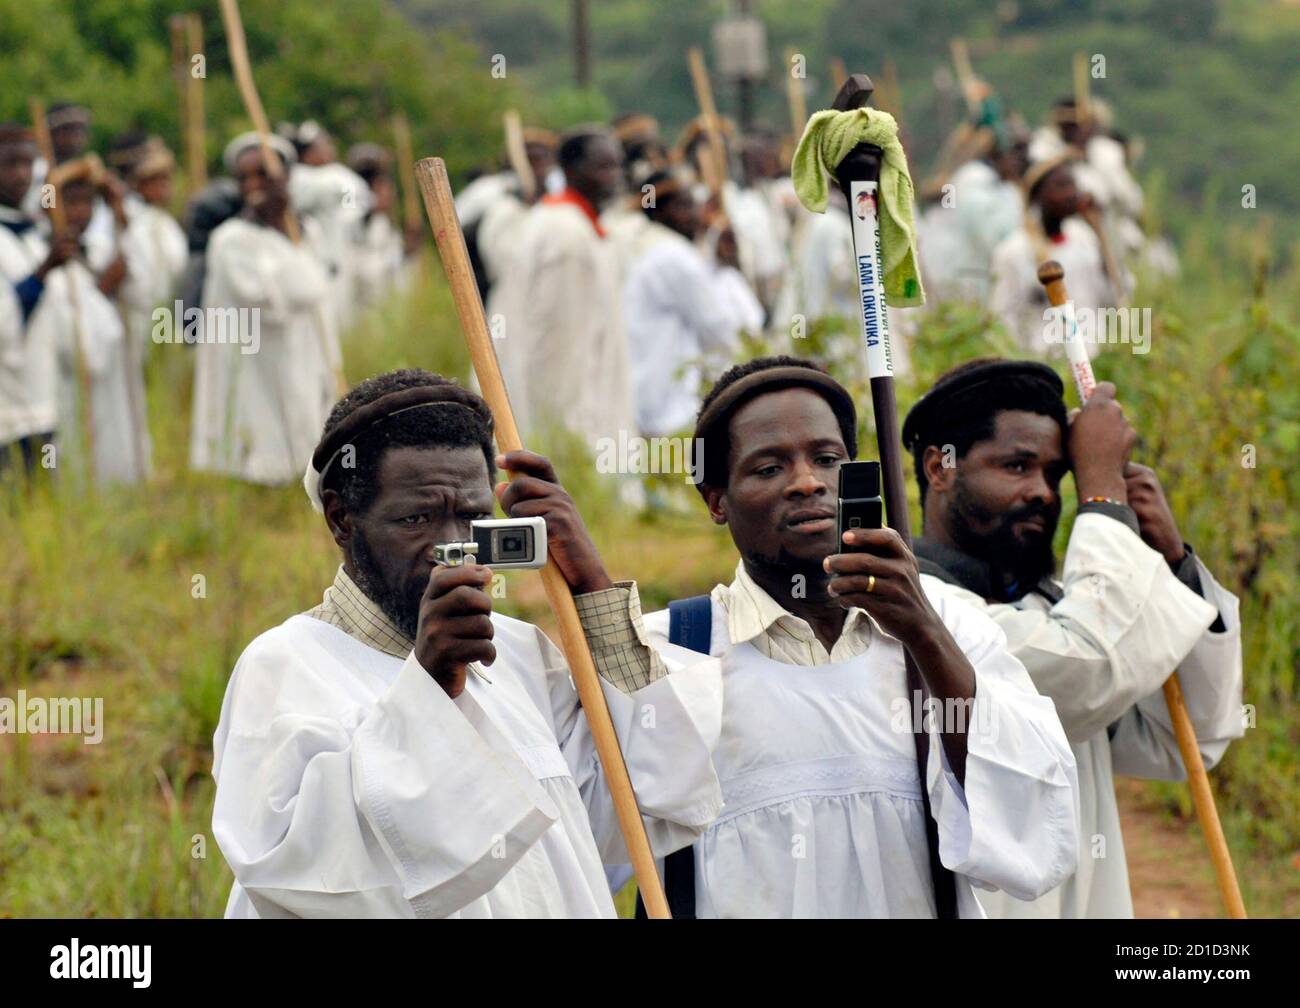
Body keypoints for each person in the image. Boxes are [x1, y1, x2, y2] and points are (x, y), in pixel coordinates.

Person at [211, 369, 722, 917]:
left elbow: (645, 803)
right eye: (417, 518)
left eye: (473, 517)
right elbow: (299, 880)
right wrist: (431, 686)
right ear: (342, 518)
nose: (452, 547)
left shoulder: (516, 653)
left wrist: (593, 588)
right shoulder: (286, 667)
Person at [631, 355, 1079, 918]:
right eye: (768, 468)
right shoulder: (672, 649)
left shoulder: (947, 629)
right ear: (716, 499)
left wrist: (924, 634)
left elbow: (1035, 820)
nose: (807, 482)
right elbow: (593, 829)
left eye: (826, 458)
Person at [901, 358, 1244, 918]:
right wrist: (1105, 499)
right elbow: (1087, 668)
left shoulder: (1048, 606)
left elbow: (1189, 741)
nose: (1042, 492)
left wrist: (1175, 562)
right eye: (1016, 465)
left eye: (1058, 475)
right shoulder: (920, 617)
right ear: (941, 467)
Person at [190, 132, 336, 484]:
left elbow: (321, 290)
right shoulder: (231, 239)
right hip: (254, 359)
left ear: (286, 178)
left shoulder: (308, 230)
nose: (254, 184)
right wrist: (275, 227)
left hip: (302, 351)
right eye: (245, 177)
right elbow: (279, 295)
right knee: (260, 442)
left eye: (263, 175)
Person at [486, 128, 635, 448]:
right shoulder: (566, 234)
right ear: (571, 171)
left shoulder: (571, 223)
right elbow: (558, 354)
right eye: (603, 168)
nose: (615, 177)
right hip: (570, 427)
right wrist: (569, 441)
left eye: (618, 166)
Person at [25, 155, 139, 482]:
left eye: (86, 202)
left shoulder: (100, 248)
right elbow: (83, 352)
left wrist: (122, 219)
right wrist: (103, 290)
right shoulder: (45, 261)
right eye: (68, 202)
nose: (78, 213)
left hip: (112, 392)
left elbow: (146, 294)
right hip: (67, 392)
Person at [621, 169, 757, 436]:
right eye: (683, 206)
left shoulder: (647, 244)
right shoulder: (674, 255)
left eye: (693, 204)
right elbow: (719, 327)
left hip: (645, 393)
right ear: (659, 212)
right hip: (670, 403)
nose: (695, 215)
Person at [990, 154, 1117, 356]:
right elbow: (1003, 317)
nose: (1071, 194)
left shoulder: (1084, 238)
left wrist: (1100, 233)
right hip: (1047, 362)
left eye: (1073, 185)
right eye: (1061, 186)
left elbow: (1115, 296)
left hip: (1094, 356)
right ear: (1037, 196)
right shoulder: (1014, 251)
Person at [0, 124, 72, 473]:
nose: (20, 175)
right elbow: (4, 321)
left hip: (41, 399)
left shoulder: (32, 236)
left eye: (26, 164)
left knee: (42, 502)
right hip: (6, 411)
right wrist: (44, 272)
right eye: (9, 165)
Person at [345, 142, 410, 309]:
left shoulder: (384, 221)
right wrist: (372, 209)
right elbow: (349, 222)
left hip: (385, 280)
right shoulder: (349, 192)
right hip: (360, 275)